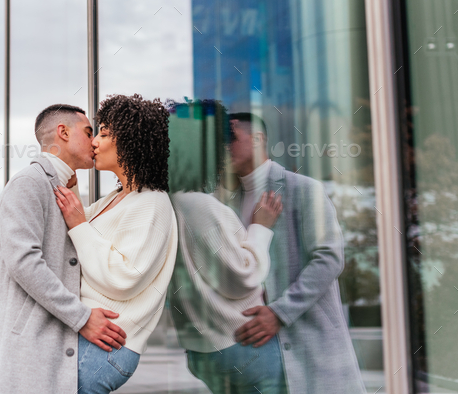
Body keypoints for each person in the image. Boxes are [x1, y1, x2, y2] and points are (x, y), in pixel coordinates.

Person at [0, 104, 127, 394]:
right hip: (25, 354)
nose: (94, 141)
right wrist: (82, 317)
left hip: (46, 349)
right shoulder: (28, 183)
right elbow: (24, 262)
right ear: (63, 132)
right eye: (87, 132)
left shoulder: (55, 188)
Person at [225, 113, 366, 393]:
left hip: (310, 346)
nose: (223, 147)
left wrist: (279, 313)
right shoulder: (228, 203)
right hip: (256, 352)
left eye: (231, 138)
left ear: (257, 140)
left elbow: (329, 258)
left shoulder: (304, 189)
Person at [53, 94, 178, 394]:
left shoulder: (153, 203)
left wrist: (79, 223)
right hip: (90, 337)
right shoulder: (119, 198)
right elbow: (81, 233)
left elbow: (125, 277)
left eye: (105, 134)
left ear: (131, 142)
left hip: (105, 345)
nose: (94, 141)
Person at [166, 100, 287, 394]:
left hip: (202, 349)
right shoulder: (200, 206)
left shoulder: (167, 201)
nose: (227, 151)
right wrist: (260, 227)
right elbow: (240, 278)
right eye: (223, 144)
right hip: (242, 344)